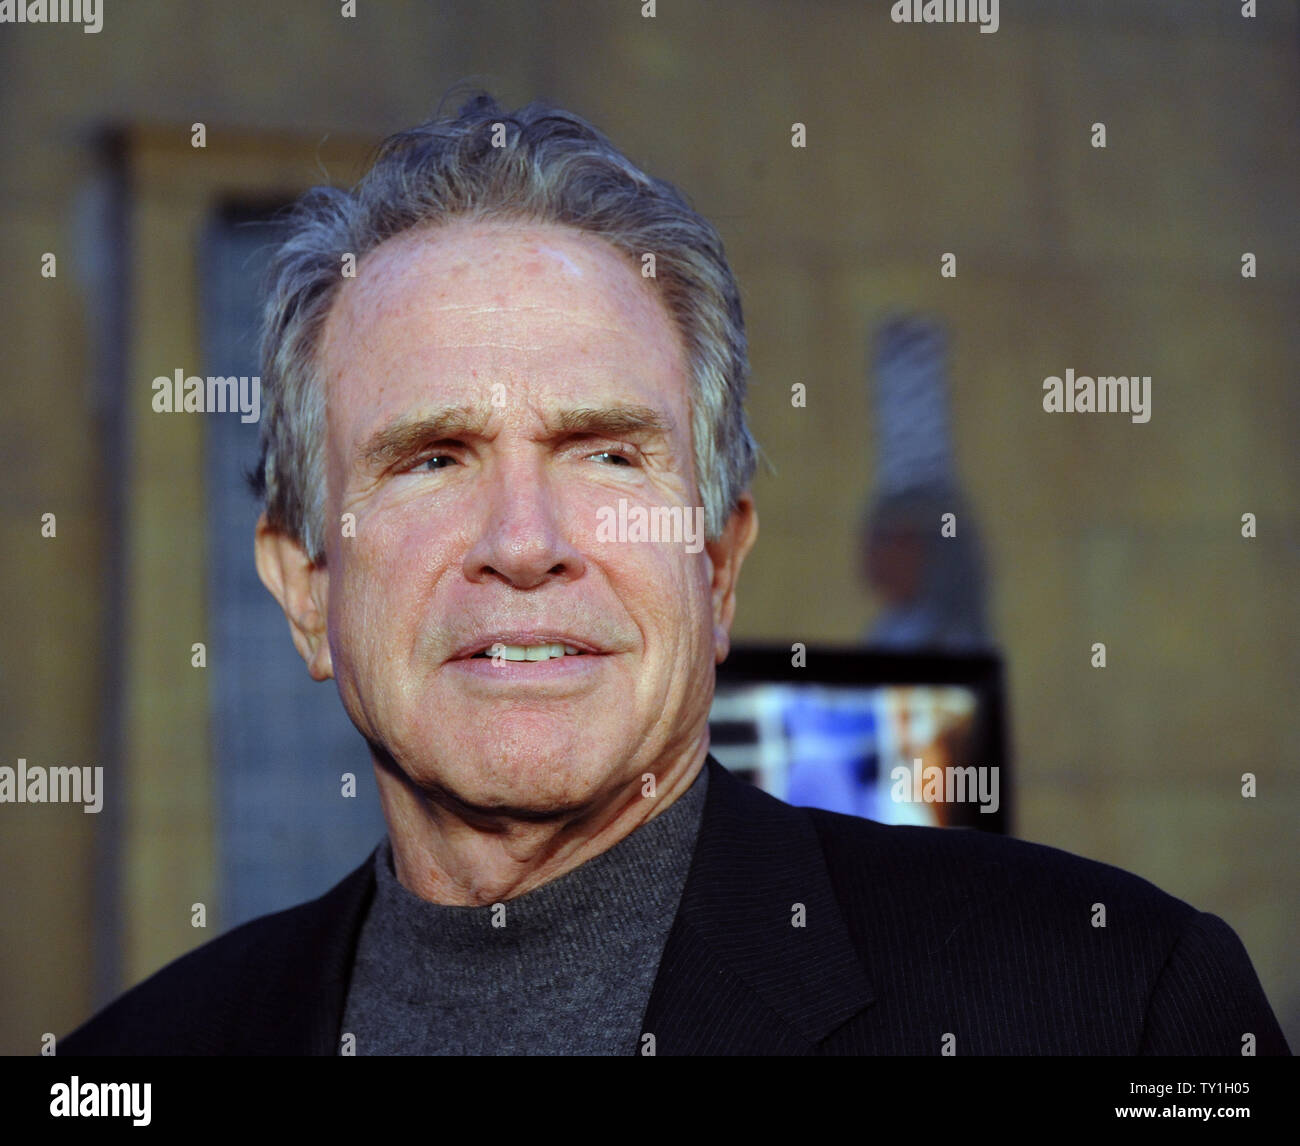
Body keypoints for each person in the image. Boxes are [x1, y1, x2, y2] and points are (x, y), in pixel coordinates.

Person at [61, 91, 1289, 1056]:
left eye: (605, 452)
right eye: (433, 458)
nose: (526, 539)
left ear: (718, 564)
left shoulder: (1108, 1003)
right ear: (305, 589)